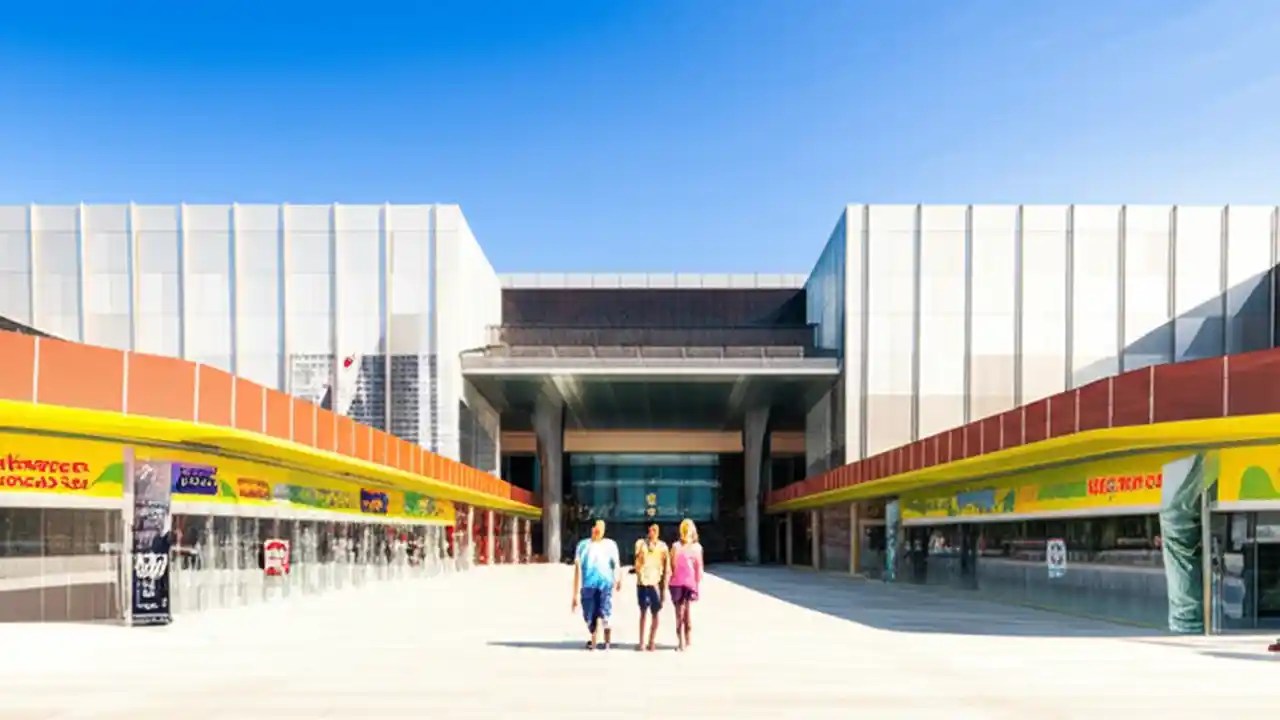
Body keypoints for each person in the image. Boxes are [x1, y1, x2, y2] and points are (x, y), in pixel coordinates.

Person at [571, 519, 621, 650]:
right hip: (588, 586)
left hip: (605, 584)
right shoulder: (583, 545)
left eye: (602, 528)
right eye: (597, 527)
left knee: (606, 612)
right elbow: (577, 569)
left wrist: (618, 578)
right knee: (589, 614)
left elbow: (616, 564)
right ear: (592, 529)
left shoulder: (610, 545)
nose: (599, 530)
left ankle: (606, 642)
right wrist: (575, 594)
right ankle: (593, 639)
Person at [668, 518, 704, 652]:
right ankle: (680, 642)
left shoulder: (697, 547)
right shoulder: (676, 546)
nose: (686, 531)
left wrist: (697, 584)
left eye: (688, 528)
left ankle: (688, 639)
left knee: (687, 613)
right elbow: (671, 565)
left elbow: (699, 567)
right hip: (676, 583)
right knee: (679, 613)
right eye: (684, 528)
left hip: (689, 584)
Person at [633, 523, 669, 652]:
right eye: (651, 530)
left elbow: (666, 568)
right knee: (643, 612)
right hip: (642, 582)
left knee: (655, 613)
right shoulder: (640, 544)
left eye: (655, 530)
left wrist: (664, 588)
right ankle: (642, 642)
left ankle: (652, 641)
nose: (652, 532)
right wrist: (640, 557)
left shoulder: (663, 547)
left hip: (655, 583)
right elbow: (637, 564)